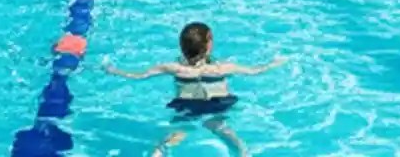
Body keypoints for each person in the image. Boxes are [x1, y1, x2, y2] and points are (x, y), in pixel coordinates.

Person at [104, 22, 285, 157]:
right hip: (216, 105)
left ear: (182, 47)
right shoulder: (221, 68)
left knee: (173, 136)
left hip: (188, 106)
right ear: (208, 45)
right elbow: (255, 71)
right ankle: (243, 153)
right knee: (227, 133)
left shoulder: (175, 68)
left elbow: (138, 76)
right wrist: (274, 63)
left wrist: (113, 70)